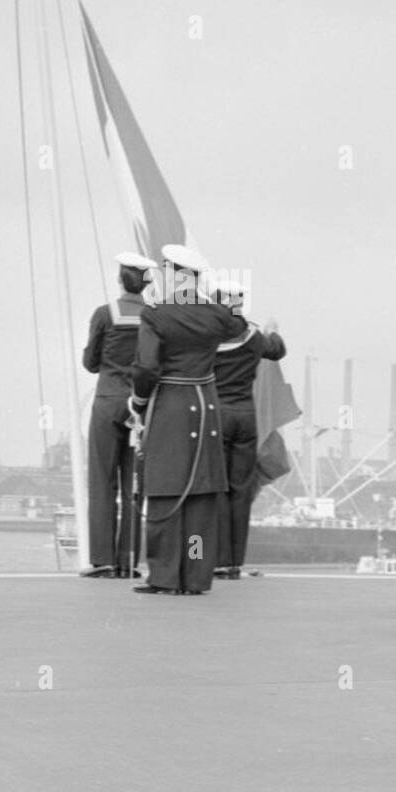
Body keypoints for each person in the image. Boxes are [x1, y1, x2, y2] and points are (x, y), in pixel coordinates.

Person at [129, 245, 243, 596]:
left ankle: (164, 576)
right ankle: (195, 576)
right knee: (200, 499)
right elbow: (238, 326)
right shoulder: (216, 314)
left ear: (175, 274)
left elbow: (146, 367)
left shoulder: (156, 314)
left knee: (165, 491)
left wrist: (138, 400)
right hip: (206, 403)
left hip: (171, 404)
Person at [80, 251, 154, 578]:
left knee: (102, 481)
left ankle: (103, 560)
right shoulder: (154, 318)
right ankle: (128, 561)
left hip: (107, 400)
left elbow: (90, 362)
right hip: (139, 406)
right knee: (132, 484)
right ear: (146, 284)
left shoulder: (103, 314)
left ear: (119, 280)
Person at [211, 282, 286, 579]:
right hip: (245, 417)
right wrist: (272, 329)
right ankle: (233, 563)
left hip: (215, 416)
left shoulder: (208, 338)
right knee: (241, 490)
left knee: (216, 486)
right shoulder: (255, 338)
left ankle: (211, 558)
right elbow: (277, 350)